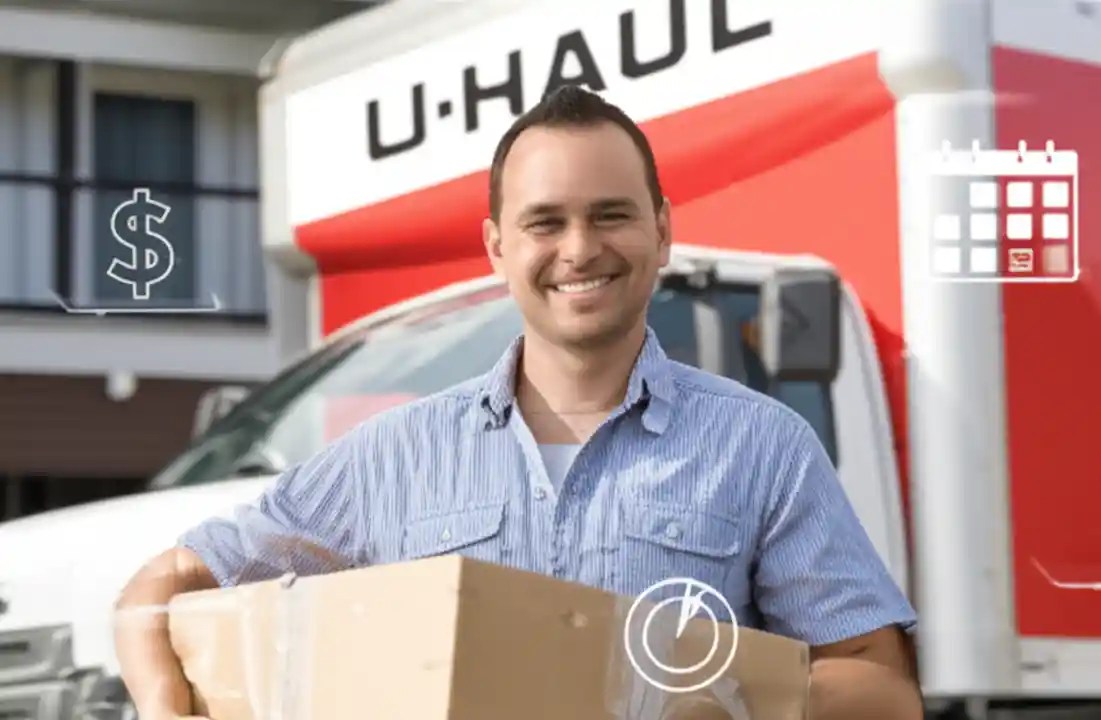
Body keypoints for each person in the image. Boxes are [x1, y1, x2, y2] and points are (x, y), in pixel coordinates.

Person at [114, 85, 922, 720]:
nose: (580, 249)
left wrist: (712, 698)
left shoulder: (761, 447)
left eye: (611, 215)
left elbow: (883, 692)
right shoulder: (391, 456)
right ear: (499, 246)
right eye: (546, 222)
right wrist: (159, 707)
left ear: (663, 231)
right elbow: (168, 582)